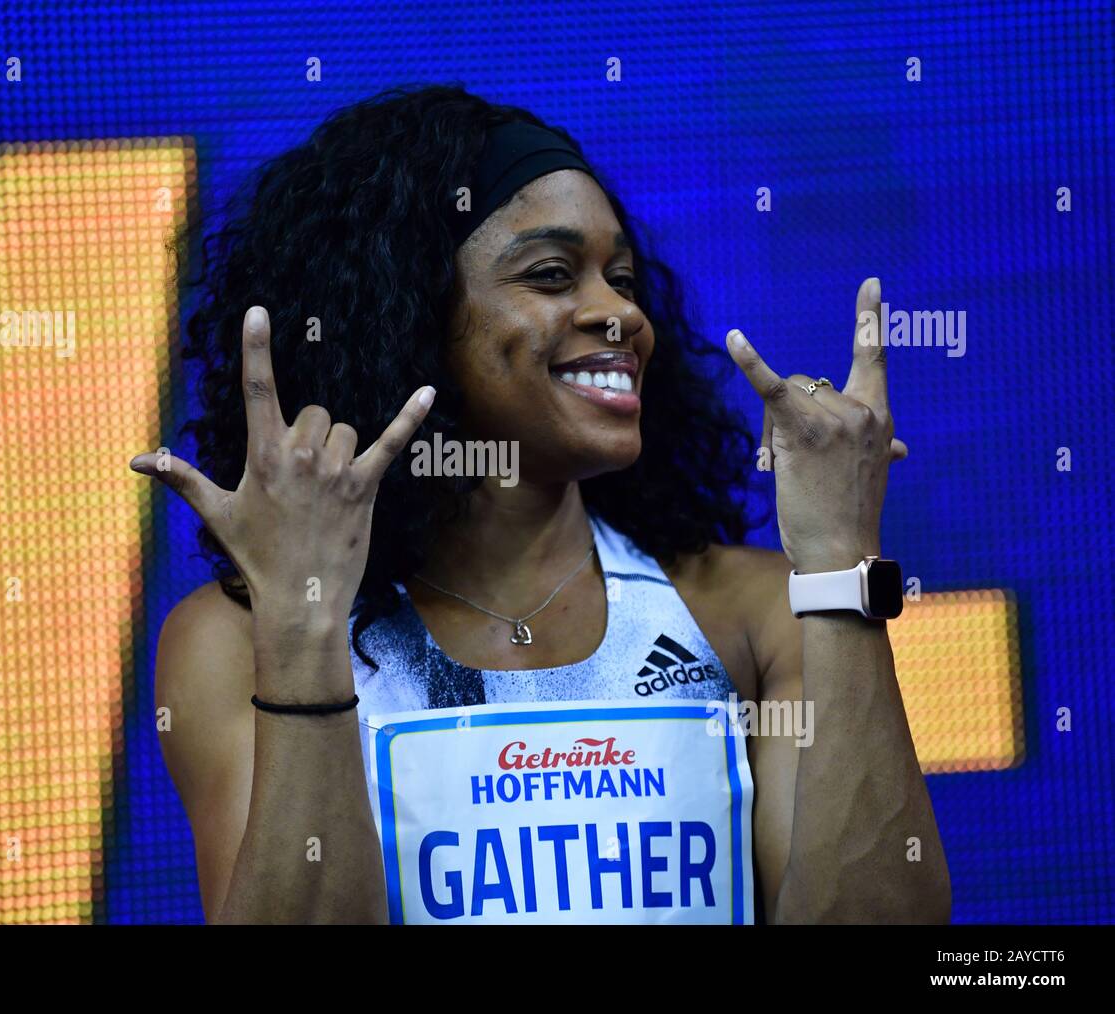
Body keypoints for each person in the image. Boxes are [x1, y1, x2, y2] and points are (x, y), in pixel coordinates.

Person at [129, 84, 951, 925]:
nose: (620, 313)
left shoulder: (751, 610)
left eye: (622, 279)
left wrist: (842, 562)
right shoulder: (234, 641)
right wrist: (304, 627)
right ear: (409, 318)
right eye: (553, 274)